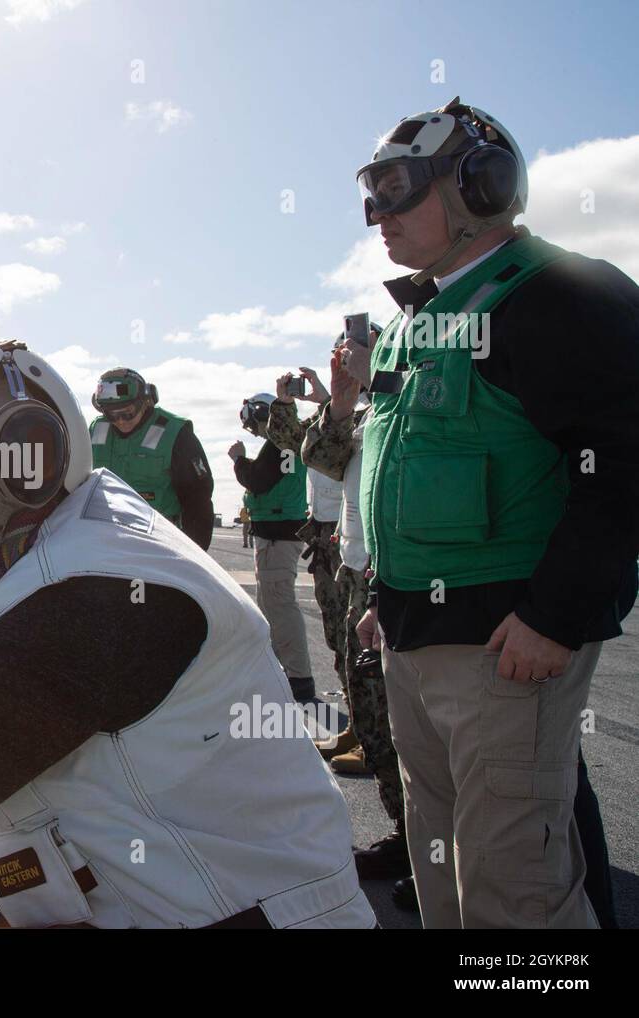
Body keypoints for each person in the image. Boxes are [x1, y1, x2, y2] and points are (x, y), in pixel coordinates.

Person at [0, 340, 376, 928]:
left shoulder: (98, 597)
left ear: (17, 466)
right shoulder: (73, 539)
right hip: (189, 899)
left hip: (246, 915)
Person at [353, 97, 638, 927]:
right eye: (371, 193)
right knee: (442, 873)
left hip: (506, 650)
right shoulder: (421, 320)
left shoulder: (559, 294)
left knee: (514, 888)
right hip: (417, 642)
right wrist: (385, 600)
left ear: (481, 186)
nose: (378, 214)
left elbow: (624, 463)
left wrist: (556, 615)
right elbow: (404, 473)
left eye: (398, 189)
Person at [275, 326, 412, 886]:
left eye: (359, 354)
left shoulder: (406, 400)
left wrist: (377, 381)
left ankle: (438, 848)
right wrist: (342, 398)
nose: (348, 362)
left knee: (407, 717)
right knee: (370, 707)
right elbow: (319, 456)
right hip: (354, 571)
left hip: (398, 574)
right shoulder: (357, 410)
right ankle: (410, 837)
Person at [266, 367, 355, 753]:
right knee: (339, 635)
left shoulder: (371, 411)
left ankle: (376, 735)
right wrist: (285, 404)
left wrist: (330, 401)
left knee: (359, 637)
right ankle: (360, 726)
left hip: (356, 537)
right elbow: (287, 440)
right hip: (325, 537)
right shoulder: (328, 417)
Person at [229, 394, 315, 703]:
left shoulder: (279, 443)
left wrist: (239, 459)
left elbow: (258, 481)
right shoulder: (285, 442)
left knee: (279, 606)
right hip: (277, 533)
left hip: (278, 536)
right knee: (273, 605)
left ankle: (298, 679)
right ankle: (285, 675)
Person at [89, 368, 216, 551]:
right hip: (107, 542)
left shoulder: (175, 433)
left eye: (128, 413)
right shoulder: (96, 430)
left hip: (160, 544)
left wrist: (195, 553)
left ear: (144, 402)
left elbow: (198, 500)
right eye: (112, 415)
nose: (121, 421)